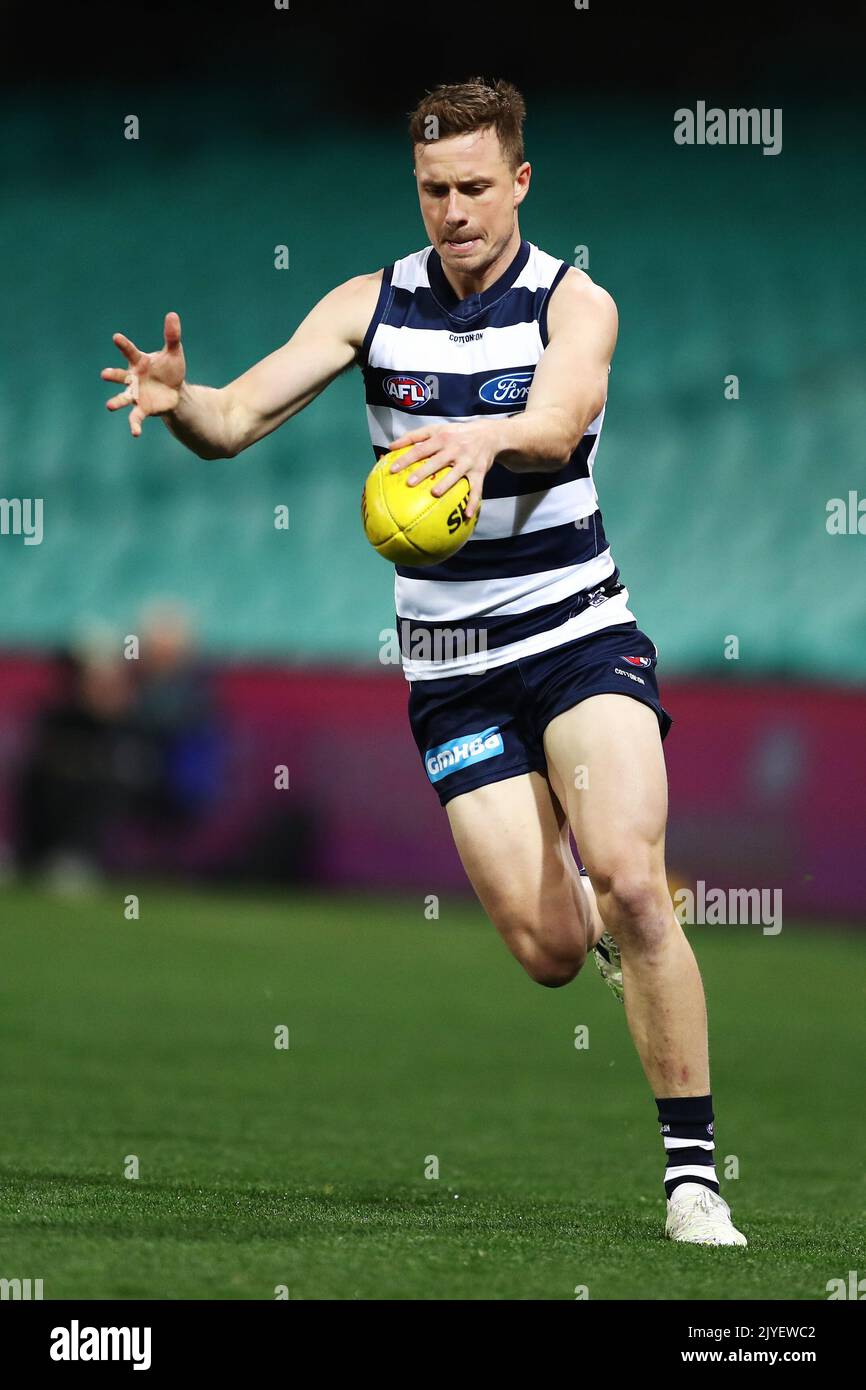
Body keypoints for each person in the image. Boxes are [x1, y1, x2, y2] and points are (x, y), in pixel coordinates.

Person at [101, 76, 745, 1246]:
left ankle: (691, 1177)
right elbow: (238, 419)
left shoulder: (573, 304)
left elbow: (556, 425)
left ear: (520, 182)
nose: (452, 210)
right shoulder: (369, 306)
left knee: (634, 875)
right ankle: (592, 921)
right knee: (551, 950)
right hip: (451, 666)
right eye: (432, 188)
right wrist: (177, 398)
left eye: (474, 188)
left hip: (575, 633)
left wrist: (481, 435)